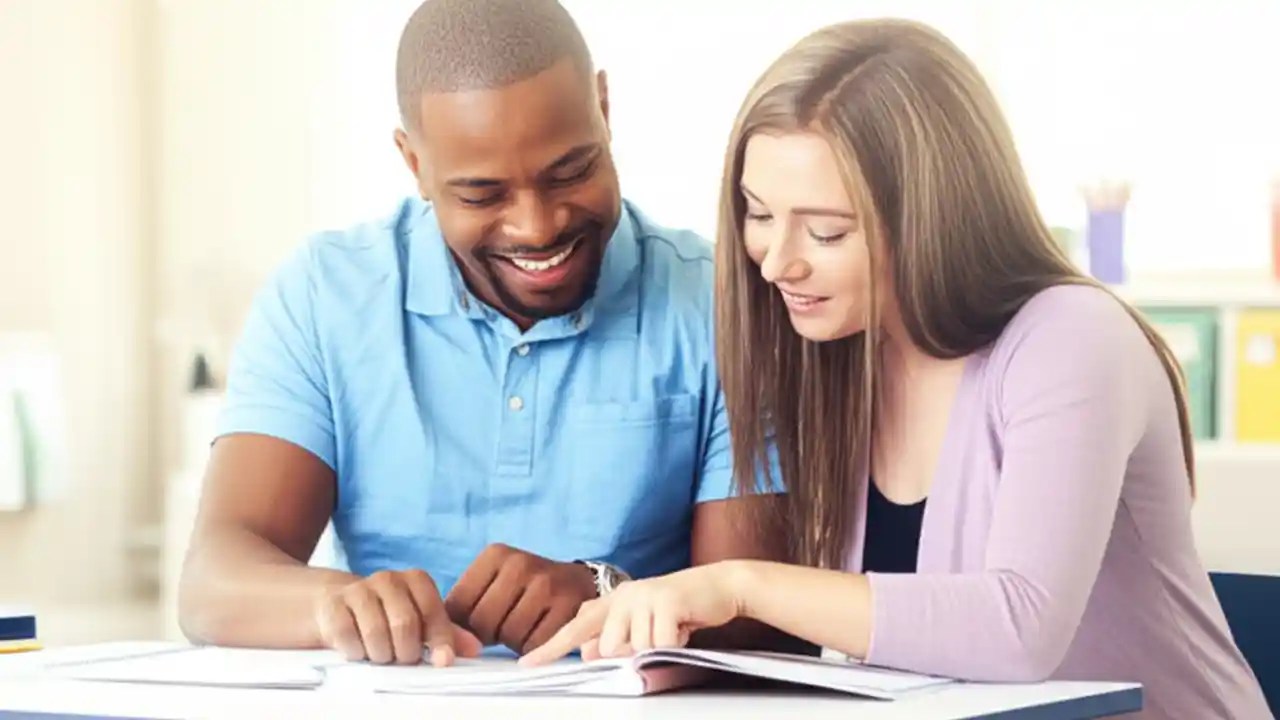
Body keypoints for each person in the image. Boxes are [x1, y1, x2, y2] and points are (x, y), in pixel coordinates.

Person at [521, 18, 1273, 719]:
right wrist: (677, 648)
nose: (778, 261)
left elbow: (1018, 630)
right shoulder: (844, 359)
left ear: (932, 219)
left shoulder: (1073, 338)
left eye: (826, 229)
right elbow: (889, 647)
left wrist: (737, 581)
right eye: (758, 213)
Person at [177, 0, 777, 667]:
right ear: (414, 162)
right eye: (482, 195)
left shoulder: (724, 306)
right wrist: (336, 605)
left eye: (571, 171)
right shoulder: (326, 299)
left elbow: (766, 617)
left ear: (603, 107)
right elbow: (212, 582)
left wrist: (611, 595)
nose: (538, 226)